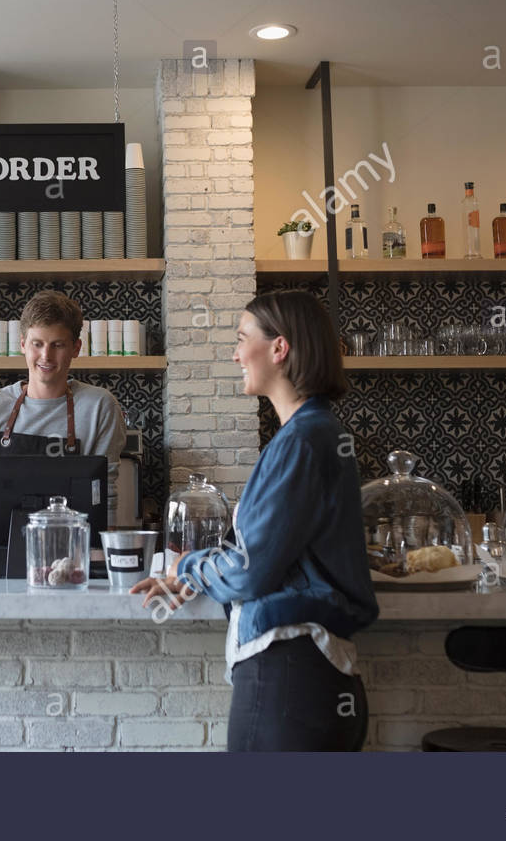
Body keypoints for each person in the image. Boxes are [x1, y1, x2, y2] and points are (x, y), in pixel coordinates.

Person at [132, 290, 378, 751]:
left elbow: (250, 569)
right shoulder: (316, 433)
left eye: (243, 338)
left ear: (279, 348)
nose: (236, 353)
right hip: (311, 680)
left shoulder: (302, 441)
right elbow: (267, 551)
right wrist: (204, 573)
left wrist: (185, 568)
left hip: (289, 679)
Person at [0, 291, 126, 519]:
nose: (46, 356)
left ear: (76, 348)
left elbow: (104, 496)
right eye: (37, 344)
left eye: (58, 345)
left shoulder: (100, 407)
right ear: (22, 344)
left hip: (69, 550)